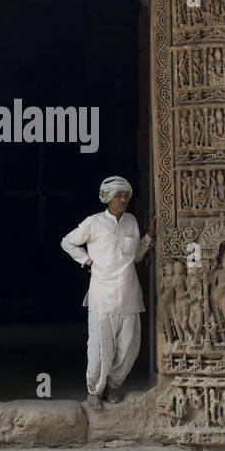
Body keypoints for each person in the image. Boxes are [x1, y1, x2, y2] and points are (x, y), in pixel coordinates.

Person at [60, 175, 156, 410]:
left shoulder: (132, 221)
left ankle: (112, 386)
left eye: (125, 196)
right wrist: (88, 261)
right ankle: (94, 390)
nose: (123, 200)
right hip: (102, 296)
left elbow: (136, 257)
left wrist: (150, 236)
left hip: (129, 295)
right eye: (118, 196)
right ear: (107, 198)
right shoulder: (93, 222)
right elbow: (67, 242)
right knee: (101, 348)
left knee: (129, 348)